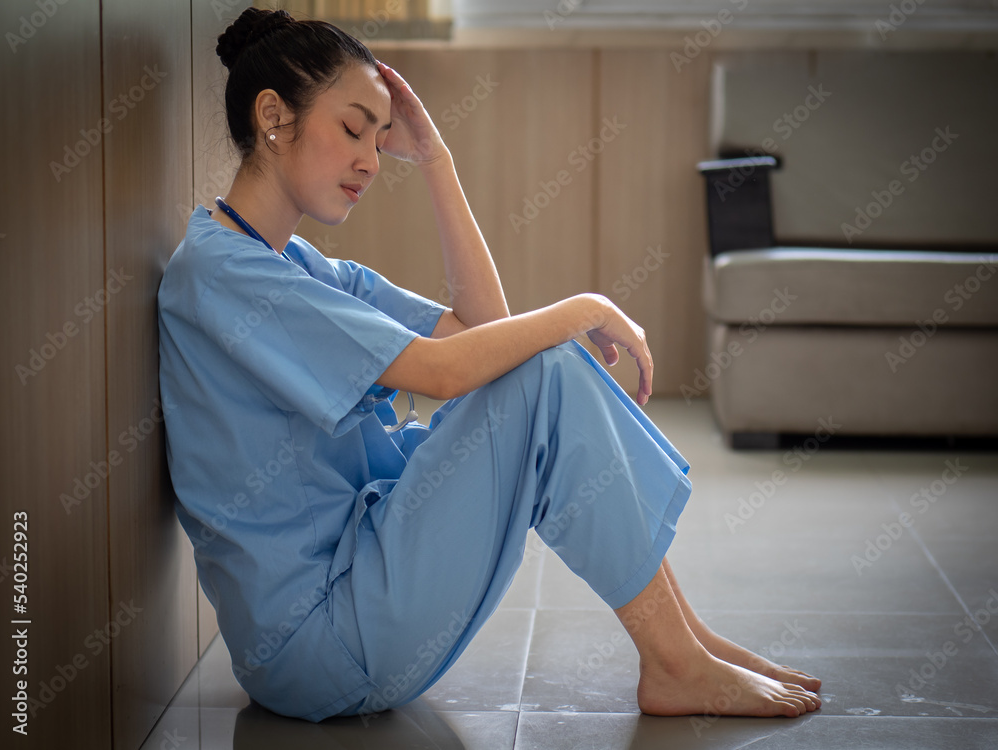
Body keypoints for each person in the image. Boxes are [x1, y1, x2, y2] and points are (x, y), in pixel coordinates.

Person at [157, 7, 822, 723]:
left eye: (382, 142)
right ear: (273, 118)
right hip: (320, 641)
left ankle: (685, 642)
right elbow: (445, 372)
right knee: (550, 369)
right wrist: (585, 307)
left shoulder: (297, 266)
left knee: (542, 368)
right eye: (354, 130)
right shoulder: (222, 276)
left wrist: (436, 159)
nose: (371, 162)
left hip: (361, 584)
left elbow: (486, 332)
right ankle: (674, 659)